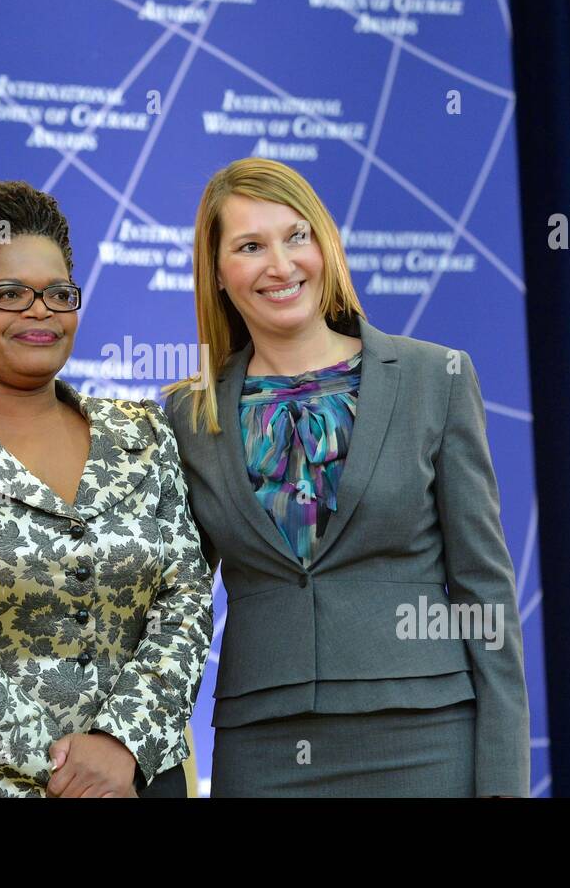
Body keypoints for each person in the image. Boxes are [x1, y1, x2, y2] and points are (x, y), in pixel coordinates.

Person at [164, 157, 529, 797]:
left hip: (426, 739)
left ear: (325, 246)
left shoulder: (434, 378)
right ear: (218, 274)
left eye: (296, 236)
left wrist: (502, 781)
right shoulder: (188, 413)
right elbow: (176, 602)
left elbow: (485, 593)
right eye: (250, 246)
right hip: (263, 744)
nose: (280, 265)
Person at [0, 180, 214, 797]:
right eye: (10, 294)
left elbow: (187, 599)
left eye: (57, 293)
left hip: (141, 777)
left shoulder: (140, 432)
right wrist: (61, 769)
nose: (40, 311)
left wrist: (120, 746)